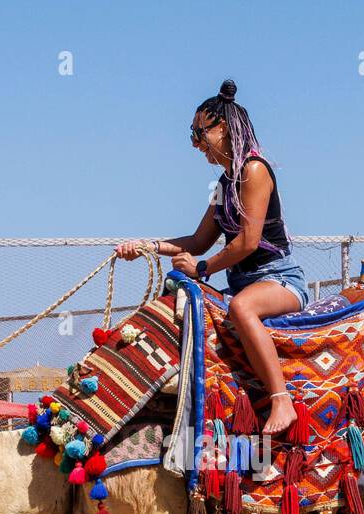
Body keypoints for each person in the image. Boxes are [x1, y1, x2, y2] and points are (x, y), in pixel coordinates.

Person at [116, 79, 310, 436]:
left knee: (242, 309)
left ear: (222, 127)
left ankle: (282, 400)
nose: (196, 144)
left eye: (198, 133)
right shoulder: (224, 183)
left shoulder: (254, 170)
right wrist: (147, 247)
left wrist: (201, 268)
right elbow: (199, 239)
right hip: (241, 282)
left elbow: (248, 242)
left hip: (278, 279)